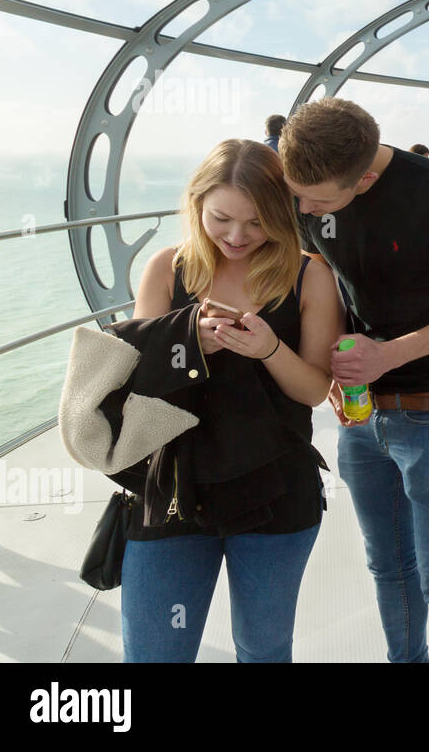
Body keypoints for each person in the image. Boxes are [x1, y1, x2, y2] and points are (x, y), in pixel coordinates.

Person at [280, 97, 429, 663]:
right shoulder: (307, 190)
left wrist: (389, 356)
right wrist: (329, 363)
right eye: (295, 193)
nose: (301, 207)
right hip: (359, 413)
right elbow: (320, 271)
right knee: (388, 569)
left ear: (368, 176)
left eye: (317, 200)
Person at [123, 139, 341, 661]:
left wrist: (268, 347)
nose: (237, 237)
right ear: (196, 203)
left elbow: (312, 390)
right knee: (155, 651)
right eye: (221, 218)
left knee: (263, 648)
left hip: (276, 488)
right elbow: (133, 384)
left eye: (257, 223)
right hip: (175, 484)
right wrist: (186, 341)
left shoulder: (310, 274)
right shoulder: (166, 268)